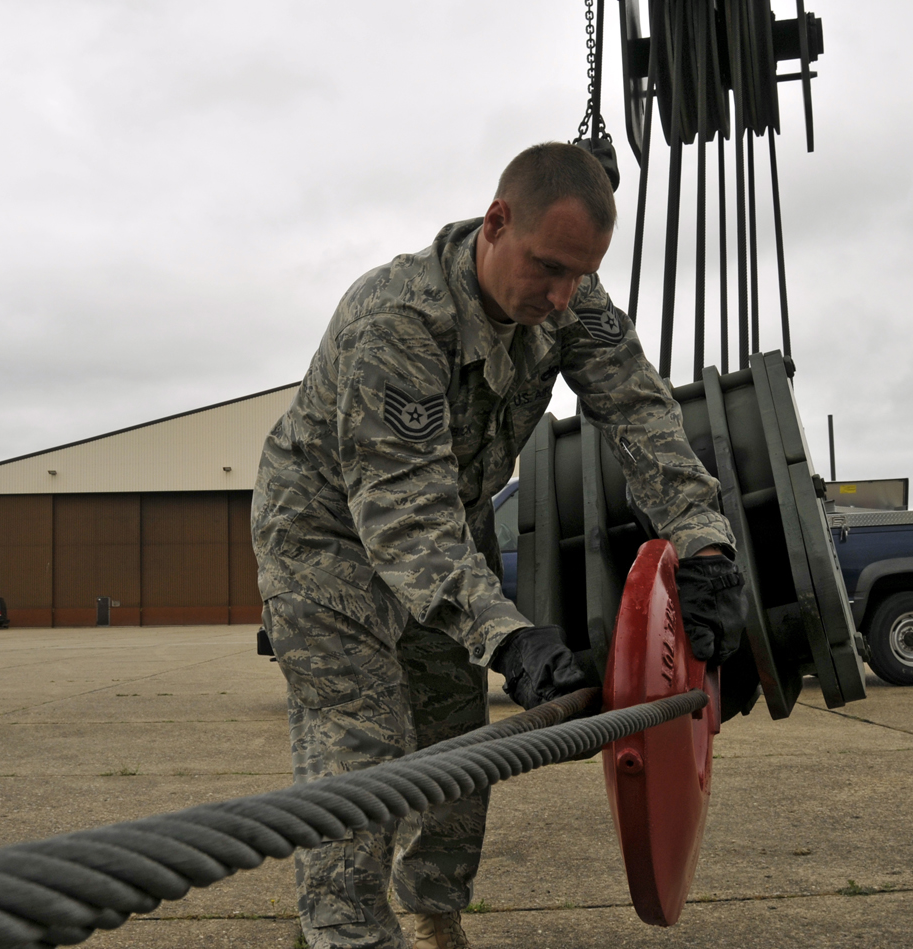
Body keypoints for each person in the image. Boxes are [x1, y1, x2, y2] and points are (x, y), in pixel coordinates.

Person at [252, 142, 745, 949]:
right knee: (363, 742)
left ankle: (435, 913)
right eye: (547, 268)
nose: (558, 296)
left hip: (452, 512)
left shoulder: (570, 300)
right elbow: (403, 516)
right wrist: (505, 634)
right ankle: (347, 931)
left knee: (457, 736)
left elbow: (639, 412)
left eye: (578, 275)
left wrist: (703, 541)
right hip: (327, 533)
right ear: (495, 223)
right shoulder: (396, 321)